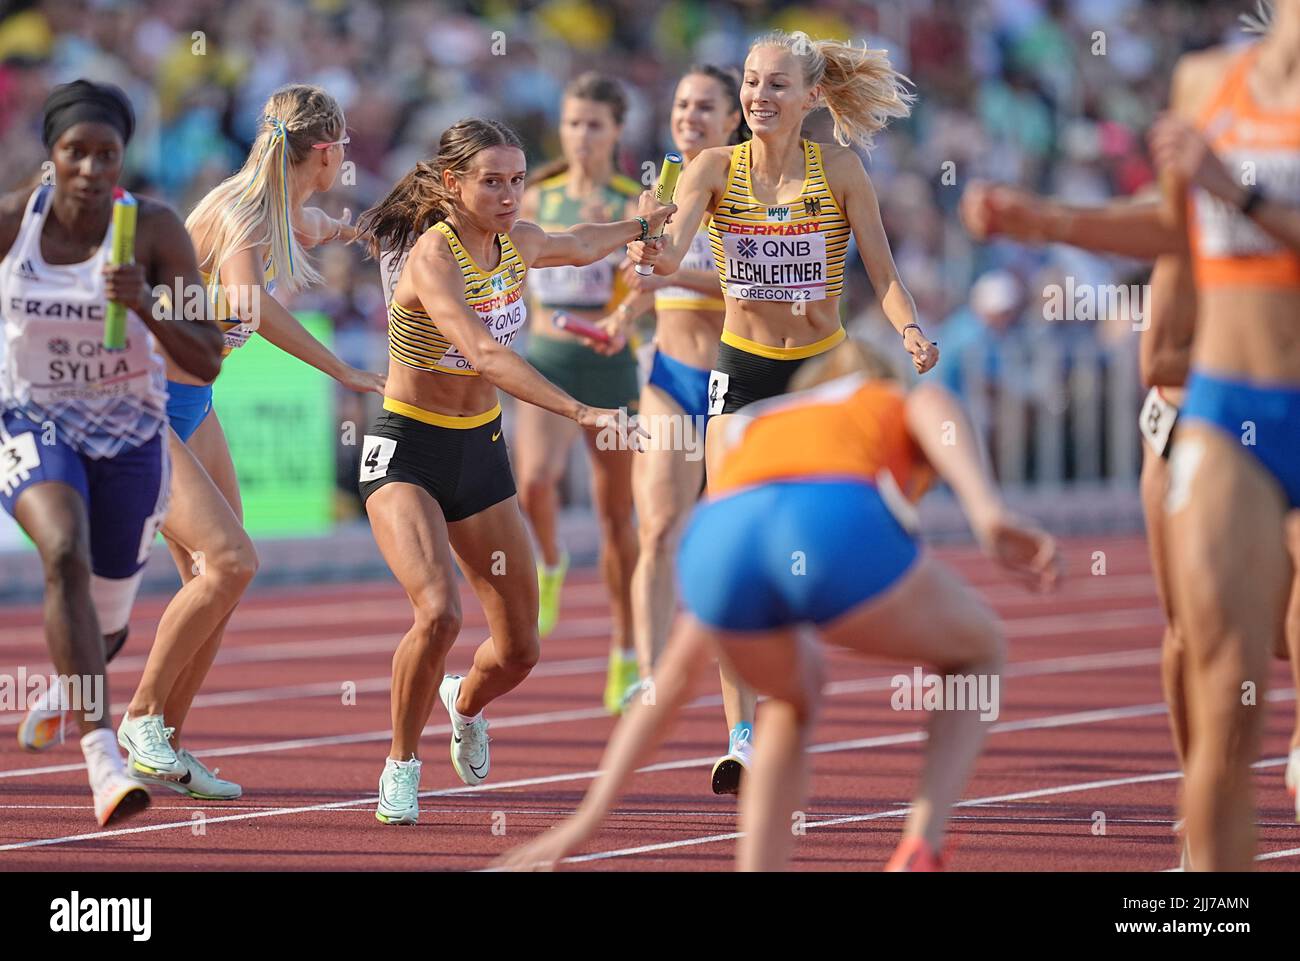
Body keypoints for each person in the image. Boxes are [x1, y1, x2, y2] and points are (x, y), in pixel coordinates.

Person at [494, 339, 1058, 872]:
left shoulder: (759, 422)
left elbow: (668, 685)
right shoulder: (879, 396)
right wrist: (987, 510)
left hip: (718, 537)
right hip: (830, 523)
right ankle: (922, 844)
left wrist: (586, 820)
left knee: (792, 695)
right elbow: (932, 403)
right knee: (980, 650)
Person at [19, 84, 385, 804]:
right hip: (145, 404)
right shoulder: (243, 213)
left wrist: (361, 231)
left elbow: (310, 228)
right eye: (340, 145)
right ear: (325, 150)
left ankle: (165, 742)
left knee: (219, 579)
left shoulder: (273, 206)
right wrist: (342, 367)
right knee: (230, 562)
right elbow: (252, 307)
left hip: (193, 403)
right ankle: (140, 720)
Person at [626, 29, 939, 795]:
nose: (759, 98)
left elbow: (884, 275)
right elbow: (669, 263)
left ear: (810, 97)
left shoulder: (839, 169)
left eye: (776, 86)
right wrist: (646, 241)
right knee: (731, 535)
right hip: (742, 370)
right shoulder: (711, 169)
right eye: (751, 84)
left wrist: (909, 329)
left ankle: (814, 642)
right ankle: (742, 732)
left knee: (832, 530)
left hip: (820, 372)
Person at [354, 117, 670, 824]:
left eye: (517, 180)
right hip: (407, 448)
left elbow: (578, 243)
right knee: (437, 611)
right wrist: (578, 410)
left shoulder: (516, 243)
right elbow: (487, 355)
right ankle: (401, 762)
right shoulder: (433, 258)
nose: (508, 194)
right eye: (491, 181)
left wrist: (640, 227)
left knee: (523, 647)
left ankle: (464, 701)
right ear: (452, 185)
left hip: (480, 450)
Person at [0, 79, 224, 825]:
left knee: (110, 623)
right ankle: (104, 759)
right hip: (33, 419)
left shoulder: (153, 229)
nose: (92, 168)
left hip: (129, 431)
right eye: (75, 153)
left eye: (107, 154)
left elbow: (210, 353)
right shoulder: (13, 224)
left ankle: (71, 684)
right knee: (62, 546)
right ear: (50, 159)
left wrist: (145, 306)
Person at [1147, 3, 1300, 867]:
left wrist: (1237, 189)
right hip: (1206, 401)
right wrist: (1049, 220)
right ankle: (1203, 885)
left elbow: (1217, 194)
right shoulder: (1209, 81)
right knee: (1204, 652)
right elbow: (1168, 228)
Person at [593, 65, 742, 706]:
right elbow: (642, 286)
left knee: (738, 541)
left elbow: (749, 285)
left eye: (706, 106)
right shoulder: (657, 191)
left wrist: (672, 276)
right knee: (656, 528)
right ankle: (649, 679)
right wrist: (621, 317)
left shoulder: (751, 191)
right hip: (672, 378)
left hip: (739, 381)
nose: (690, 116)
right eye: (683, 105)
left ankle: (746, 689)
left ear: (734, 118)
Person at [512, 73, 644, 714]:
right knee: (534, 482)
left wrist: (626, 319)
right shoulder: (535, 194)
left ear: (617, 130)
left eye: (594, 123)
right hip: (549, 357)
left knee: (615, 513)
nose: (581, 135)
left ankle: (624, 650)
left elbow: (648, 288)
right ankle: (551, 560)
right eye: (572, 122)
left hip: (611, 368)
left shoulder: (632, 199)